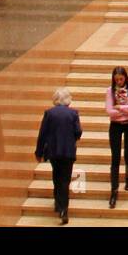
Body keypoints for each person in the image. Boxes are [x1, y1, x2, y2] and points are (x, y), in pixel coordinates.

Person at [35, 87, 82, 224]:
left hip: (54, 151)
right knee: (65, 180)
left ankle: (57, 202)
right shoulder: (73, 113)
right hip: (68, 151)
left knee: (56, 175)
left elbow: (42, 134)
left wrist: (38, 152)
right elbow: (78, 132)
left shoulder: (49, 113)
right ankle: (64, 210)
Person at [105, 65, 128, 208]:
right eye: (116, 79)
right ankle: (114, 190)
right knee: (115, 157)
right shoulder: (109, 91)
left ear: (125, 77)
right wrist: (125, 111)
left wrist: (122, 108)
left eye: (121, 78)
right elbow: (109, 110)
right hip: (115, 125)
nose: (119, 81)